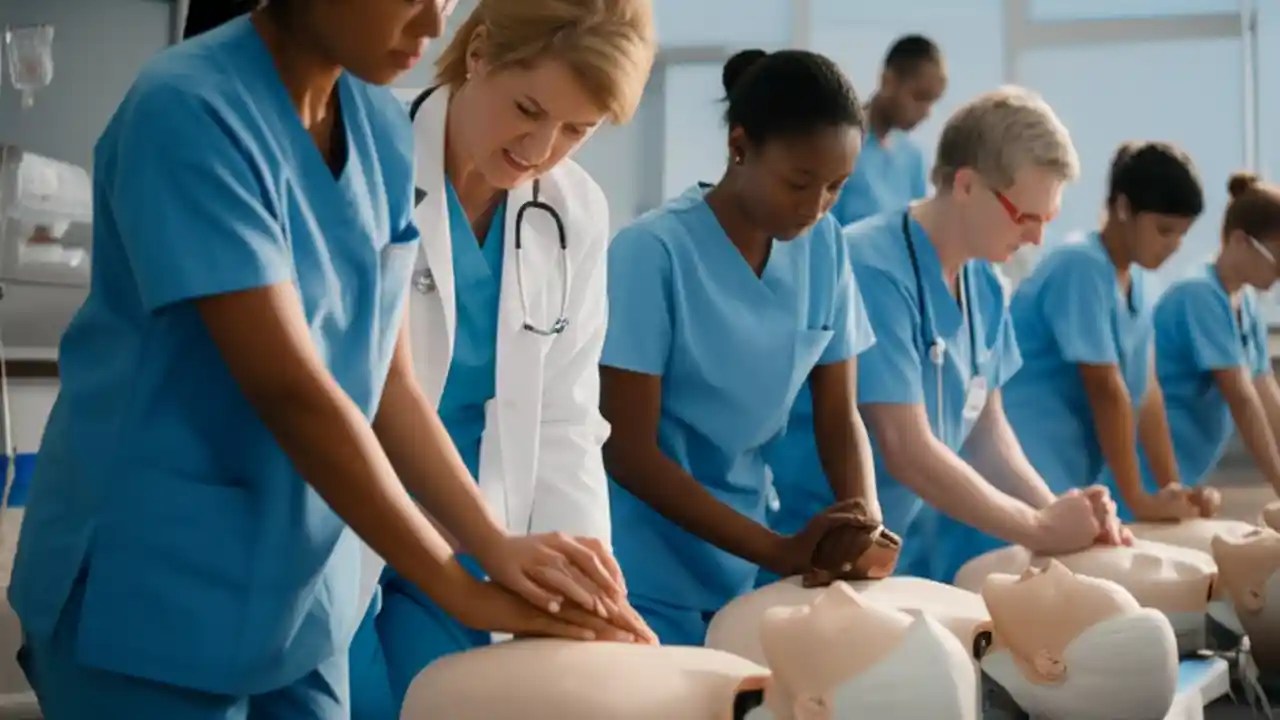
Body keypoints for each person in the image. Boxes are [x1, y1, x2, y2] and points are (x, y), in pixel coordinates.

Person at [8, 3, 638, 718]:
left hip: (302, 589)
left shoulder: (378, 130)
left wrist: (497, 547)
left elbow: (390, 385)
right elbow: (292, 391)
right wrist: (459, 585)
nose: (432, 26)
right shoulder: (187, 109)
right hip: (151, 578)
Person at [349, 1, 658, 717]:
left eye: (577, 130)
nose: (540, 148)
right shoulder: (363, 152)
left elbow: (565, 418)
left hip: (472, 536)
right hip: (342, 517)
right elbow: (366, 390)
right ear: (479, 52)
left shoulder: (574, 210)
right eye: (528, 109)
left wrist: (579, 587)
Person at [600, 49, 880, 646]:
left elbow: (838, 414)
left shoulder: (825, 247)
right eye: (798, 182)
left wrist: (866, 522)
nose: (815, 207)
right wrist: (779, 550)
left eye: (835, 188)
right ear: (739, 147)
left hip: (746, 566)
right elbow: (627, 451)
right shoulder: (651, 253)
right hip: (642, 569)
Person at [841, 86, 1123, 585]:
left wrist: (1064, 515)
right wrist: (1038, 528)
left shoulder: (985, 284)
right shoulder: (871, 267)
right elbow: (905, 448)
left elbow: (986, 432)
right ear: (967, 185)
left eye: (1048, 220)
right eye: (1026, 216)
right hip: (806, 548)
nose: (1037, 237)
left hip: (881, 553)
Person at [1003, 142, 1219, 522]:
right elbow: (1105, 388)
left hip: (1070, 467)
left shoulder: (1140, 283)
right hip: (1022, 460)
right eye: (1164, 230)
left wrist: (1173, 489)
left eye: (1182, 235)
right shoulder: (1079, 266)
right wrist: (1137, 499)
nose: (1173, 246)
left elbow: (1148, 395)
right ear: (1122, 207)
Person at [1143, 173, 1280, 504]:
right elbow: (1242, 399)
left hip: (1185, 469)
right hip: (1147, 467)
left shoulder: (1244, 302)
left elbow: (1265, 392)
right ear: (1240, 241)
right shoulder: (1199, 295)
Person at [830, 34, 946, 227]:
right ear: (888, 81)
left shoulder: (914, 157)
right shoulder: (840, 144)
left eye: (932, 101)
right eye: (919, 97)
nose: (926, 113)